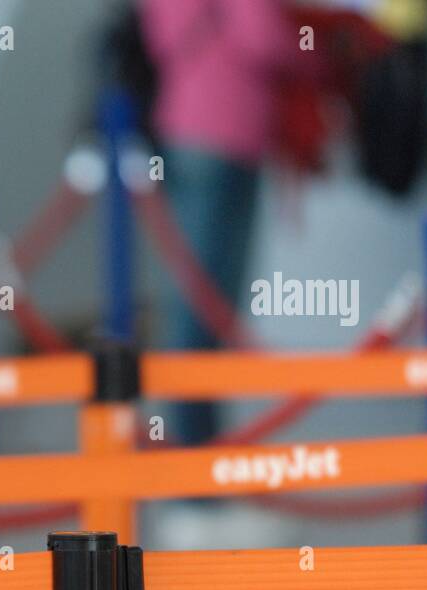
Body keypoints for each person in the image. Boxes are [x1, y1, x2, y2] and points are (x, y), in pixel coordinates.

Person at [141, 0, 306, 446]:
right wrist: (316, 51)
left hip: (184, 128)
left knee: (194, 303)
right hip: (229, 137)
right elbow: (264, 39)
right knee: (207, 310)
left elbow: (160, 38)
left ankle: (195, 468)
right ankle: (196, 483)